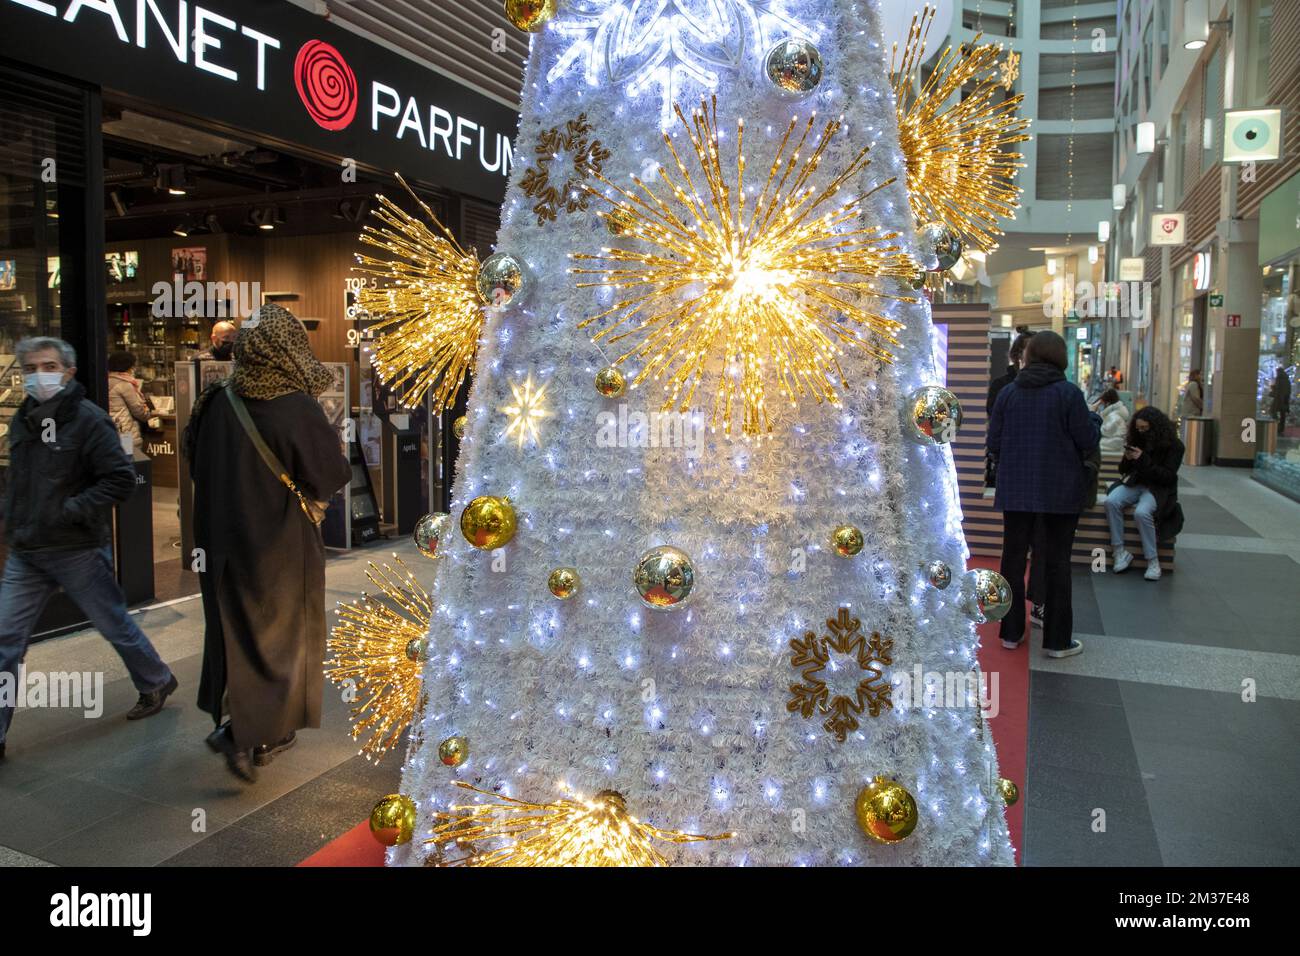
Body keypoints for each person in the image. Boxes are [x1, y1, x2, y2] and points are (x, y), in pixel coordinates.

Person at [185, 305, 350, 782]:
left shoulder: (215, 397)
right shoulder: (294, 405)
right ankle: (245, 733)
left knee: (232, 632)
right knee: (282, 637)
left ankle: (248, 728)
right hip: (276, 543)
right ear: (286, 345)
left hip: (217, 542)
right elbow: (329, 474)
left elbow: (195, 460)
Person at [0, 338, 178, 761]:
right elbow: (20, 479)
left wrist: (70, 510)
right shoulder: (23, 420)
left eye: (48, 366)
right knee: (5, 638)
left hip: (77, 548)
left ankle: (155, 679)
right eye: (30, 367)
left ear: (68, 372)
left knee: (113, 622)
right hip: (27, 550)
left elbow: (118, 479)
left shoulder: (88, 420)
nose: (37, 374)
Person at [988, 330, 1099, 659]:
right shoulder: (1068, 394)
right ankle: (1056, 641)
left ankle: (1009, 633)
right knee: (1056, 563)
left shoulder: (1009, 394)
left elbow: (994, 443)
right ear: (1060, 357)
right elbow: (1087, 439)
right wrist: (1093, 420)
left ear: (1029, 356)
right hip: (1060, 492)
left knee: (1012, 559)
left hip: (1015, 490)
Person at [1104, 406, 1185, 581]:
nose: (1140, 432)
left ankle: (1153, 561)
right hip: (1136, 483)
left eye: (1144, 428)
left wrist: (1143, 460)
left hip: (1158, 488)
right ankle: (1119, 552)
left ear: (1155, 426)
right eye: (1138, 428)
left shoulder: (1174, 446)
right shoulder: (1138, 440)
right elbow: (1123, 471)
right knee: (1111, 501)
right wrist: (1127, 458)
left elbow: (1167, 477)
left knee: (1142, 512)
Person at [107, 351, 153, 453]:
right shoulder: (125, 384)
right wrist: (148, 413)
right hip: (125, 433)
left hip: (110, 430)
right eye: (132, 366)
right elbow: (138, 411)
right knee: (129, 461)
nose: (133, 369)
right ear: (127, 366)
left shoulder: (105, 380)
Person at [1094, 388, 1131, 455]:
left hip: (1114, 443)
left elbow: (1105, 431)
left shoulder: (1114, 416)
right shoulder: (1116, 412)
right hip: (1115, 442)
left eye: (1102, 404)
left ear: (1107, 403)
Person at [1271, 365, 1292, 433]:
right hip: (1285, 399)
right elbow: (1289, 390)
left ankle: (1275, 426)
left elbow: (1277, 389)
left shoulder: (1279, 379)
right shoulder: (1287, 380)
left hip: (1279, 399)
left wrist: (1273, 388)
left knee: (1273, 412)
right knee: (1283, 415)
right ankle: (1281, 428)